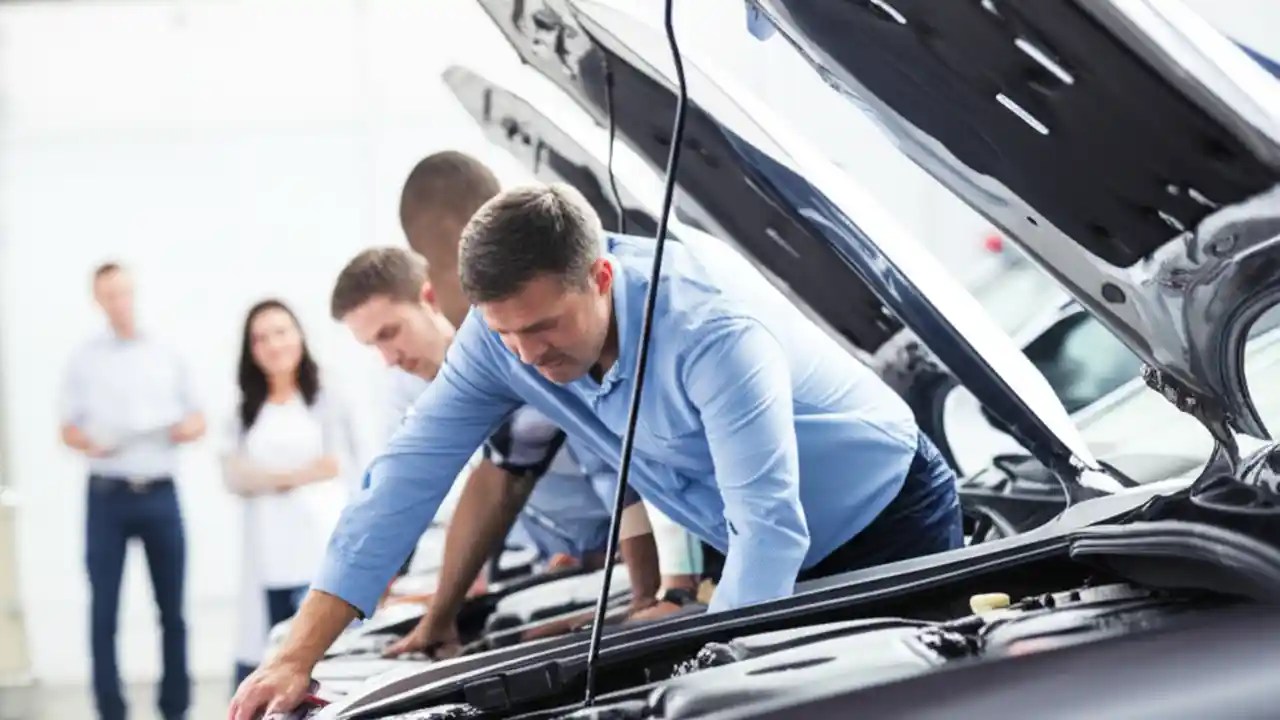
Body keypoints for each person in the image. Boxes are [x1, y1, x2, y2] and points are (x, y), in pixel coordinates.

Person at [229, 181, 963, 718]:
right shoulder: (503, 342)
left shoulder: (709, 330)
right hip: (750, 551)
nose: (525, 353)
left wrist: (705, 681)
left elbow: (769, 526)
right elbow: (401, 480)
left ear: (600, 277)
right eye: (504, 332)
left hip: (887, 522)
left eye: (543, 326)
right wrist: (297, 653)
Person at [326, 247, 662, 660]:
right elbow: (403, 489)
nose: (388, 358)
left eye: (389, 333)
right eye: (371, 346)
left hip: (621, 552)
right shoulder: (408, 389)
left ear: (429, 298)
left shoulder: (529, 356)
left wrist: (647, 595)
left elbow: (621, 476)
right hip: (545, 560)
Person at [60, 262, 205, 720]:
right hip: (107, 496)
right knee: (103, 612)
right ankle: (110, 708)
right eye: (109, 295)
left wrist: (178, 430)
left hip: (161, 492)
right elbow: (67, 430)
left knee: (173, 610)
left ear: (134, 292)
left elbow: (199, 418)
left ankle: (175, 707)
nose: (119, 302)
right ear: (97, 300)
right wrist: (93, 440)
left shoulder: (166, 351)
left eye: (124, 292)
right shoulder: (83, 359)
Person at [221, 299, 358, 687]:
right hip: (268, 553)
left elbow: (341, 466)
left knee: (322, 665)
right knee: (267, 660)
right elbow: (234, 477)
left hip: (319, 546)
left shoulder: (328, 394)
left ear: (299, 335)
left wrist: (269, 477)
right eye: (261, 338)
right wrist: (302, 473)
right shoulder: (244, 409)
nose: (273, 344)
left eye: (281, 332)